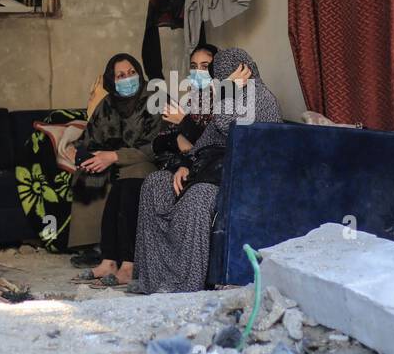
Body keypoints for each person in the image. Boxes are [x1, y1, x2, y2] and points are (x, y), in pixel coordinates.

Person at [133, 47, 279, 294]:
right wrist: (185, 164)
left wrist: (226, 91)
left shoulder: (262, 97)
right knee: (156, 183)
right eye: (219, 76)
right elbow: (206, 139)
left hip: (237, 176)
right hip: (208, 168)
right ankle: (154, 279)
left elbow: (227, 125)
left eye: (227, 75)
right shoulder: (226, 95)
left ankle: (185, 283)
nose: (221, 80)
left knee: (198, 197)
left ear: (245, 70)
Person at [72, 53, 161, 286]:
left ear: (139, 73)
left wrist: (114, 156)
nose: (127, 78)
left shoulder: (155, 98)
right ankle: (107, 259)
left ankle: (129, 264)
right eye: (120, 75)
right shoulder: (108, 103)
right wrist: (89, 156)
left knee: (131, 177)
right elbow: (89, 139)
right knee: (89, 170)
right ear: (112, 80)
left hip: (147, 160)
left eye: (131, 73)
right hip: (116, 159)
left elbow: (156, 145)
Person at [152, 42, 218, 160]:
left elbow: (215, 144)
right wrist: (178, 139)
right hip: (182, 163)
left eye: (205, 67)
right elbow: (158, 143)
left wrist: (183, 121)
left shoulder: (224, 103)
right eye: (193, 67)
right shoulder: (190, 101)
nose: (197, 72)